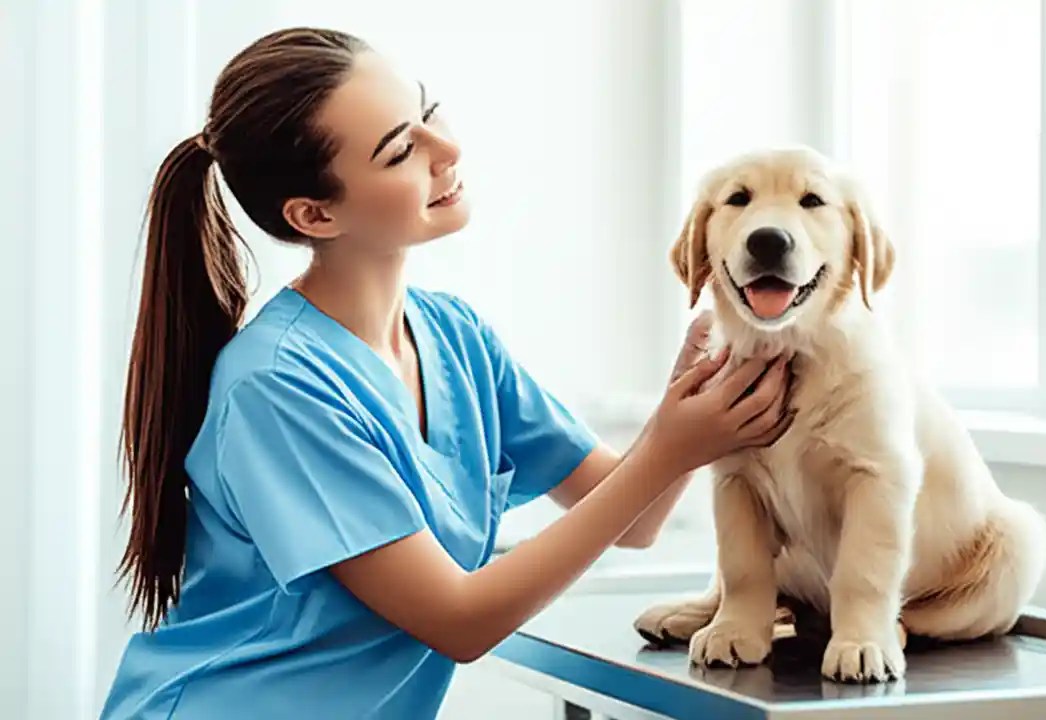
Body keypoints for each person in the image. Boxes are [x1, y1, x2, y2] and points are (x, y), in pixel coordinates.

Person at [100, 27, 794, 720]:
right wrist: (672, 445)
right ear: (316, 213)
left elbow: (630, 518)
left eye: (430, 113)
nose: (449, 150)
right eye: (403, 149)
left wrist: (694, 392)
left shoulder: (455, 337)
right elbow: (458, 622)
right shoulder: (277, 387)